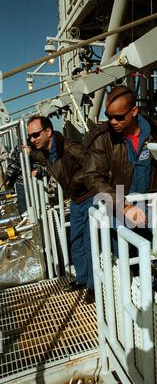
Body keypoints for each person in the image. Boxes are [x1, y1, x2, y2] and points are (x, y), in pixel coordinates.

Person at [83, 86, 157, 253]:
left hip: (150, 205)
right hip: (118, 209)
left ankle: (154, 278)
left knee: (154, 255)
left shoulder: (156, 131)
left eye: (118, 117)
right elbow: (93, 176)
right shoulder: (102, 138)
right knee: (124, 260)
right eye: (109, 117)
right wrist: (123, 206)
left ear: (134, 111)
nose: (113, 122)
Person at [25, 114, 96, 304]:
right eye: (29, 137)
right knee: (76, 241)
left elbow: (93, 164)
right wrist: (30, 154)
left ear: (48, 131)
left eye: (35, 135)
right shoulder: (47, 150)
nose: (32, 140)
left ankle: (94, 287)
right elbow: (42, 156)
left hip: (89, 198)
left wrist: (77, 181)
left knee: (90, 244)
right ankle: (82, 279)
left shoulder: (70, 146)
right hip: (75, 200)